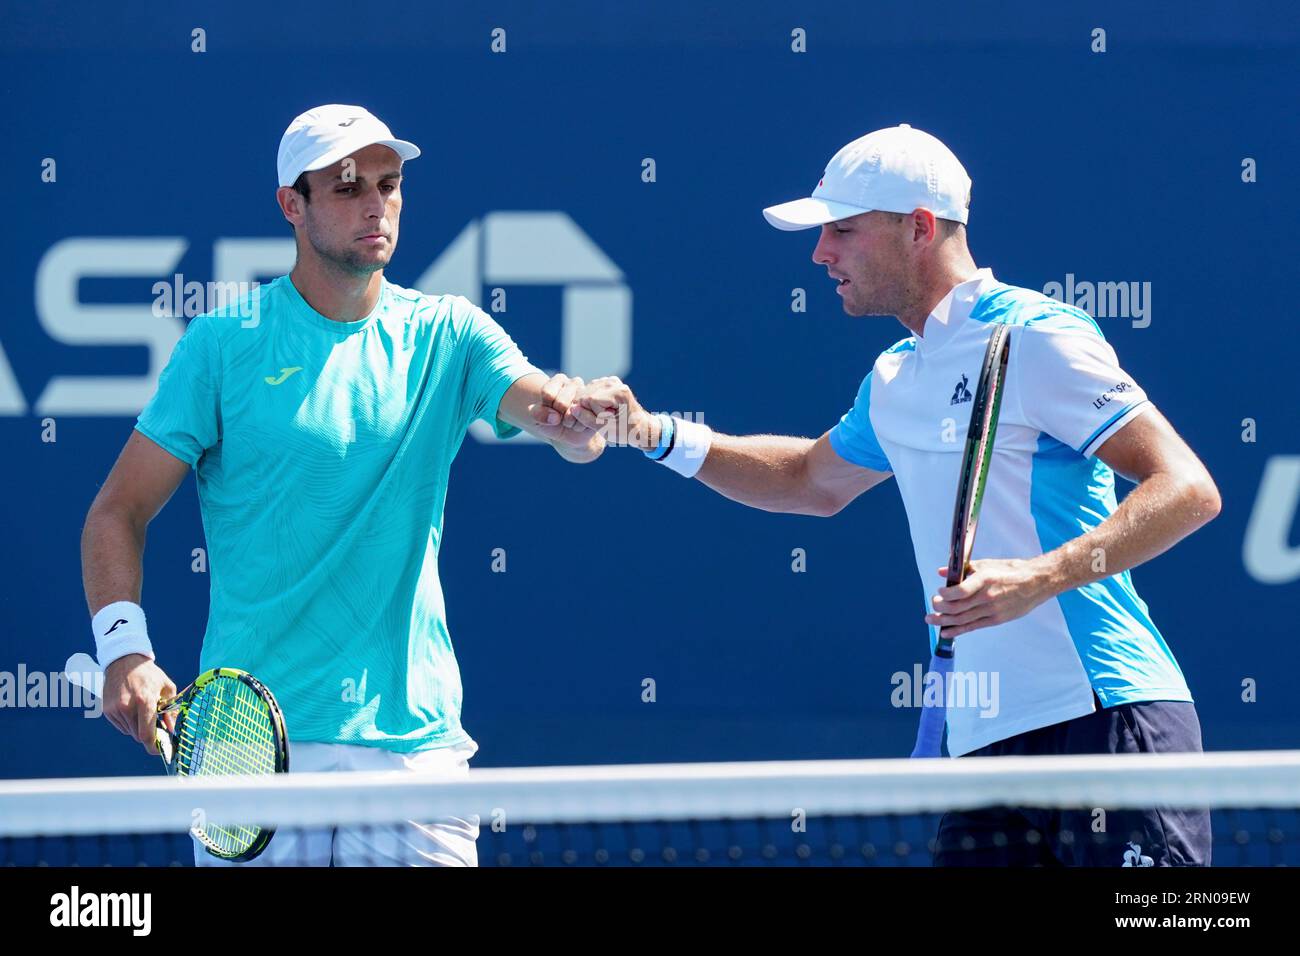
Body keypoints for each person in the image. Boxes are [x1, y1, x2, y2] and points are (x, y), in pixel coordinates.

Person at [570, 124, 1222, 866]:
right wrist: (653, 433)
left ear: (918, 228)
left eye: (843, 230)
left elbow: (1188, 488)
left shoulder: (1036, 337)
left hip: (1105, 716)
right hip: (981, 747)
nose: (821, 254)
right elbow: (807, 481)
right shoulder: (895, 377)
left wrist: (1045, 575)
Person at [80, 104, 603, 866]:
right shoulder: (224, 346)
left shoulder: (450, 333)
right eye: (349, 187)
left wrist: (574, 418)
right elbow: (117, 511)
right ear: (292, 205)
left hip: (411, 747)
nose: (376, 205)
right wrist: (123, 651)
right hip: (247, 750)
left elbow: (541, 404)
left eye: (390, 186)